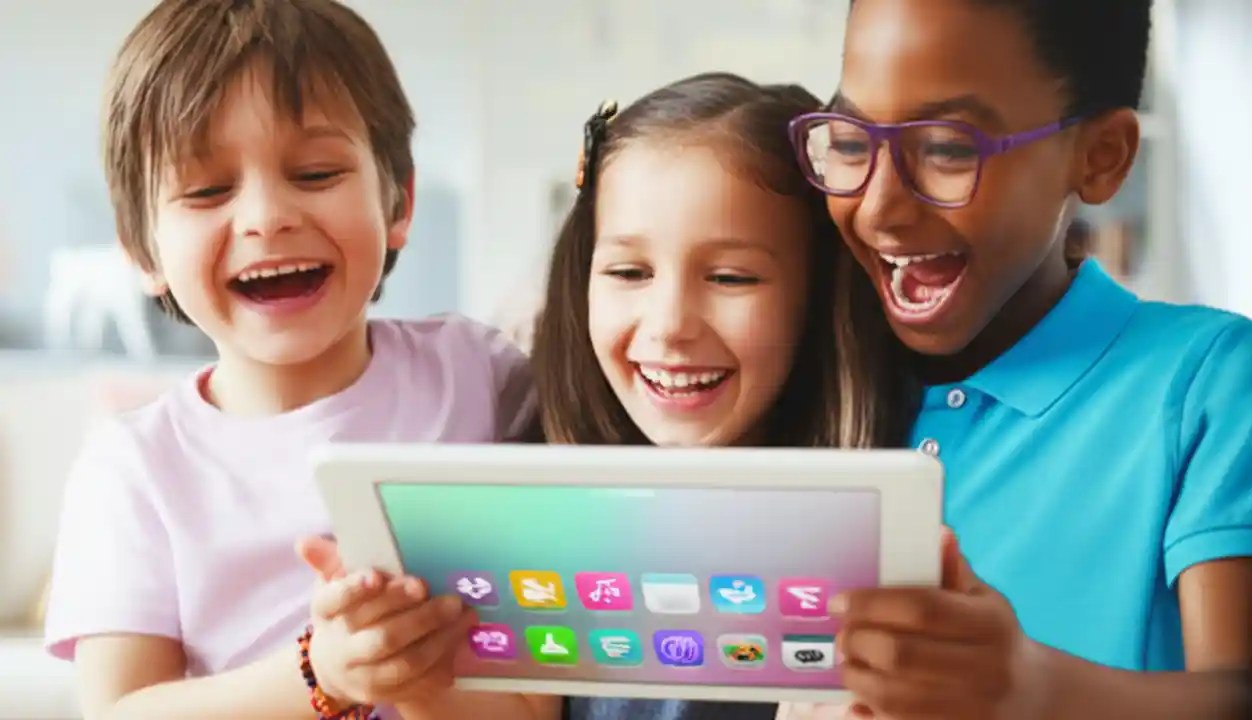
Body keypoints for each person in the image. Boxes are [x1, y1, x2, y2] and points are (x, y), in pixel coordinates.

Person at [42, 1, 536, 718]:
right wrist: (321, 672)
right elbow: (121, 710)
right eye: (207, 190)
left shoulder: (479, 375)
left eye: (315, 172)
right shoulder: (134, 469)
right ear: (143, 250)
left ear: (398, 202)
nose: (266, 217)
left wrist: (413, 677)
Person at [785, 0, 1252, 717]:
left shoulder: (1200, 377)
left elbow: (1250, 695)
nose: (880, 207)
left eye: (947, 149)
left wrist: (1029, 688)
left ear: (1101, 156)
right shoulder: (823, 370)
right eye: (851, 140)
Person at [532, 72, 912, 719]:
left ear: (819, 296)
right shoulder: (542, 512)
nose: (669, 326)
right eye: (629, 271)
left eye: (731, 278)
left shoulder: (875, 539)